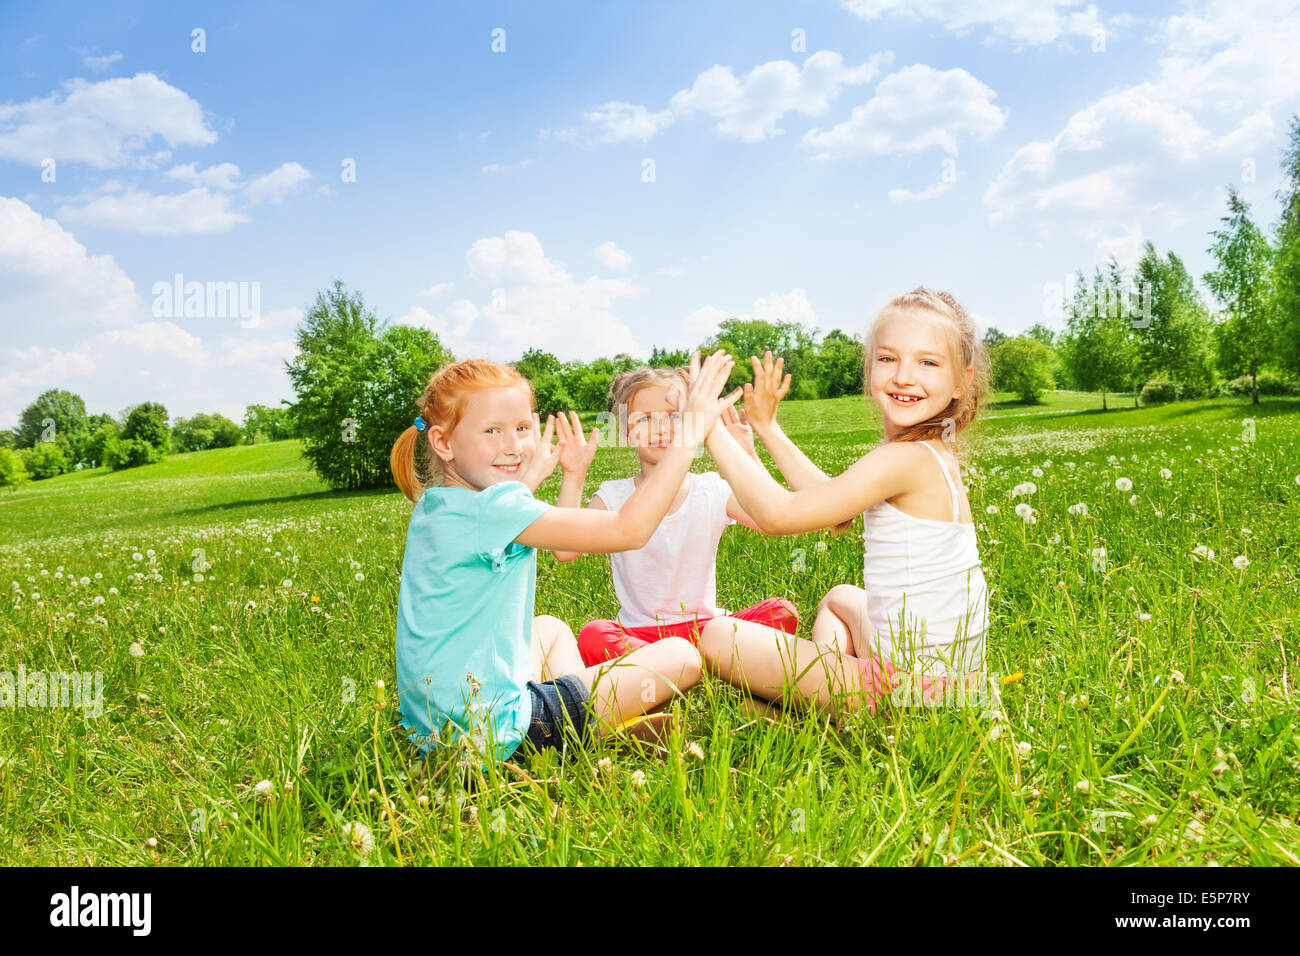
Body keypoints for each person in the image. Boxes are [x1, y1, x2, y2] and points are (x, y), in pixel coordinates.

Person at [389, 351, 740, 763]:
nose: (514, 445)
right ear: (444, 443)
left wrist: (545, 473)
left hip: (436, 727)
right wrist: (690, 433)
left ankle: (592, 721)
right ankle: (590, 731)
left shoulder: (440, 505)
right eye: (492, 430)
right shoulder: (497, 510)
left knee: (551, 629)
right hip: (496, 735)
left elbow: (512, 508)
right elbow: (629, 530)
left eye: (521, 427)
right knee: (682, 655)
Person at [698, 288, 991, 719]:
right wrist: (767, 429)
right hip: (954, 685)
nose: (904, 376)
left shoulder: (904, 459)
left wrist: (707, 429)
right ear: (870, 367)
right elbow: (838, 510)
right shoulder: (930, 452)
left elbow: (778, 515)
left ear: (962, 382)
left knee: (718, 636)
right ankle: (827, 699)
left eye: (927, 362)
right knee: (841, 598)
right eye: (888, 358)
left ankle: (822, 711)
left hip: (910, 693)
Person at [547, 365, 798, 666]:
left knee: (781, 611)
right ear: (627, 434)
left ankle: (675, 669)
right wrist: (574, 474)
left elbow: (771, 518)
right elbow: (564, 549)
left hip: (709, 631)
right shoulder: (614, 496)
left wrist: (746, 455)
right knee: (594, 635)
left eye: (674, 416)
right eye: (645, 419)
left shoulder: (710, 489)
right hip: (641, 636)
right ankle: (702, 666)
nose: (661, 428)